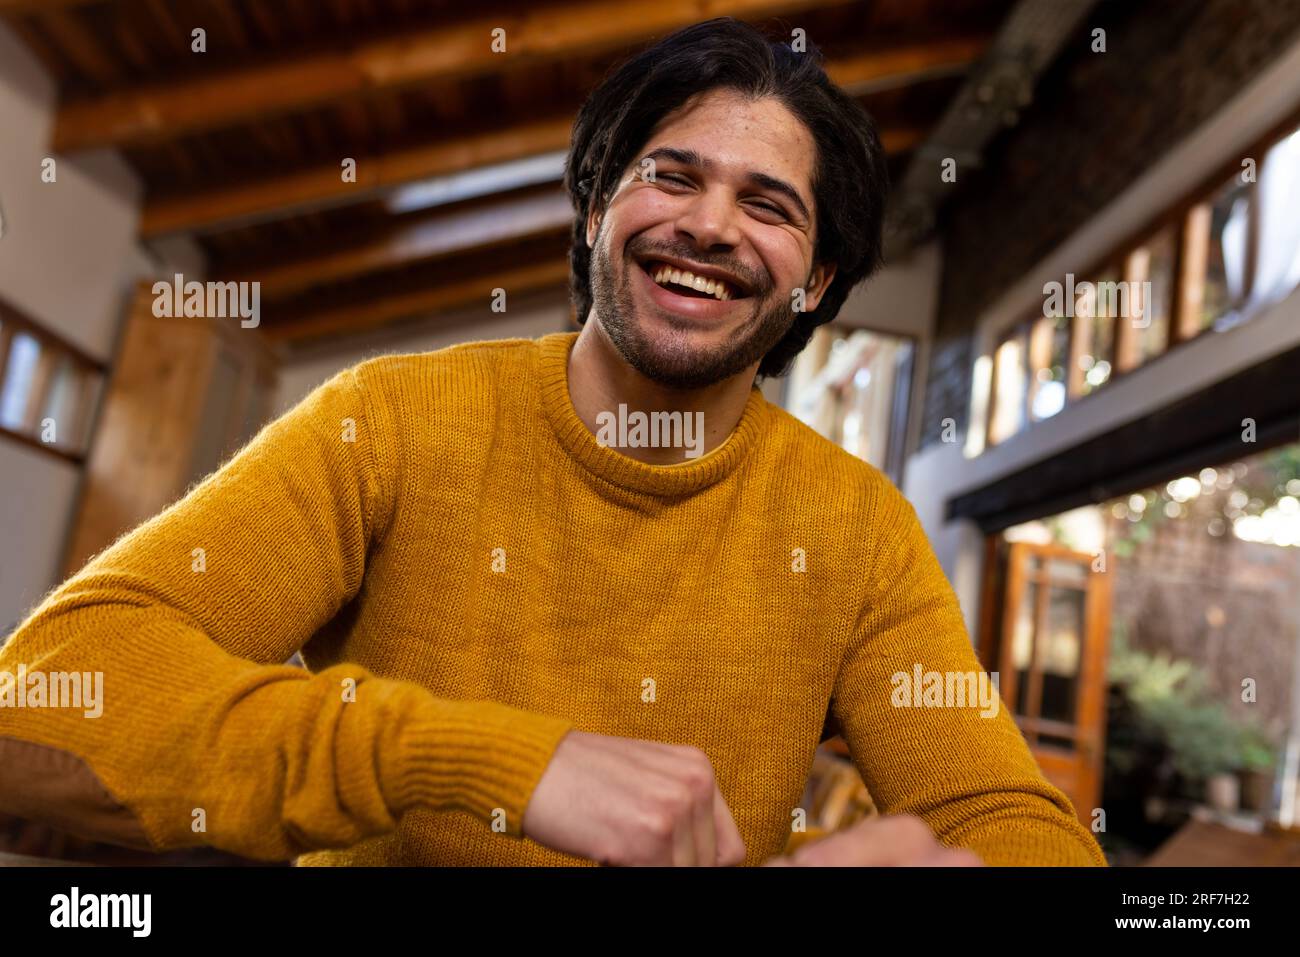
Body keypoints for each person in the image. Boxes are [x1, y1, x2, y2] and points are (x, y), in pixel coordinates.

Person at [0, 17, 1104, 867]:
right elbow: (45, 692)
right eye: (671, 175)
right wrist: (481, 761)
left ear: (815, 281)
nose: (710, 225)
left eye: (768, 205)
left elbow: (1010, 820)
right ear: (592, 211)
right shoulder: (391, 418)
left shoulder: (858, 529)